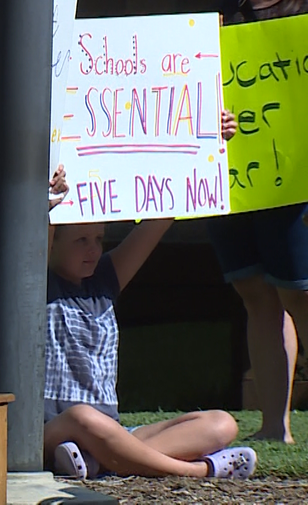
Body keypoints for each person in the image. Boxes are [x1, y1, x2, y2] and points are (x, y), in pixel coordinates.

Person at [43, 170, 257, 479]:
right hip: (53, 430)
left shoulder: (104, 278)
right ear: (51, 244)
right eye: (81, 240)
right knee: (83, 418)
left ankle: (103, 460)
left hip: (111, 430)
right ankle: (199, 470)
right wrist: (46, 204)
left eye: (99, 239)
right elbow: (25, 247)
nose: (93, 249)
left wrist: (204, 146)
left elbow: (162, 217)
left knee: (222, 424)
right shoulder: (37, 282)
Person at [207, 0, 308, 444]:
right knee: (253, 293)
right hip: (236, 180)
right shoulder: (221, 17)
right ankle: (274, 428)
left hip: (294, 183)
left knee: (299, 294)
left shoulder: (304, 11)